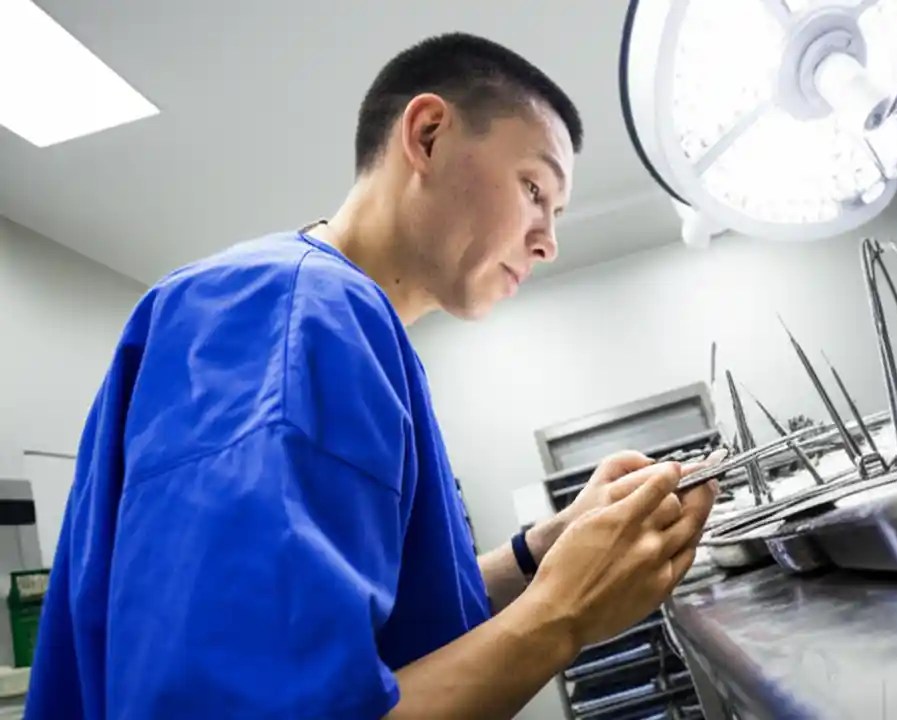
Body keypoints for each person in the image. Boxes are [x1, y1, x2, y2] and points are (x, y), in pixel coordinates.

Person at [25, 32, 720, 719]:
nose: (548, 240)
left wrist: (543, 553)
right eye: (534, 187)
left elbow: (375, 625)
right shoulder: (293, 314)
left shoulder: (335, 326)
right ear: (427, 135)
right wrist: (563, 614)